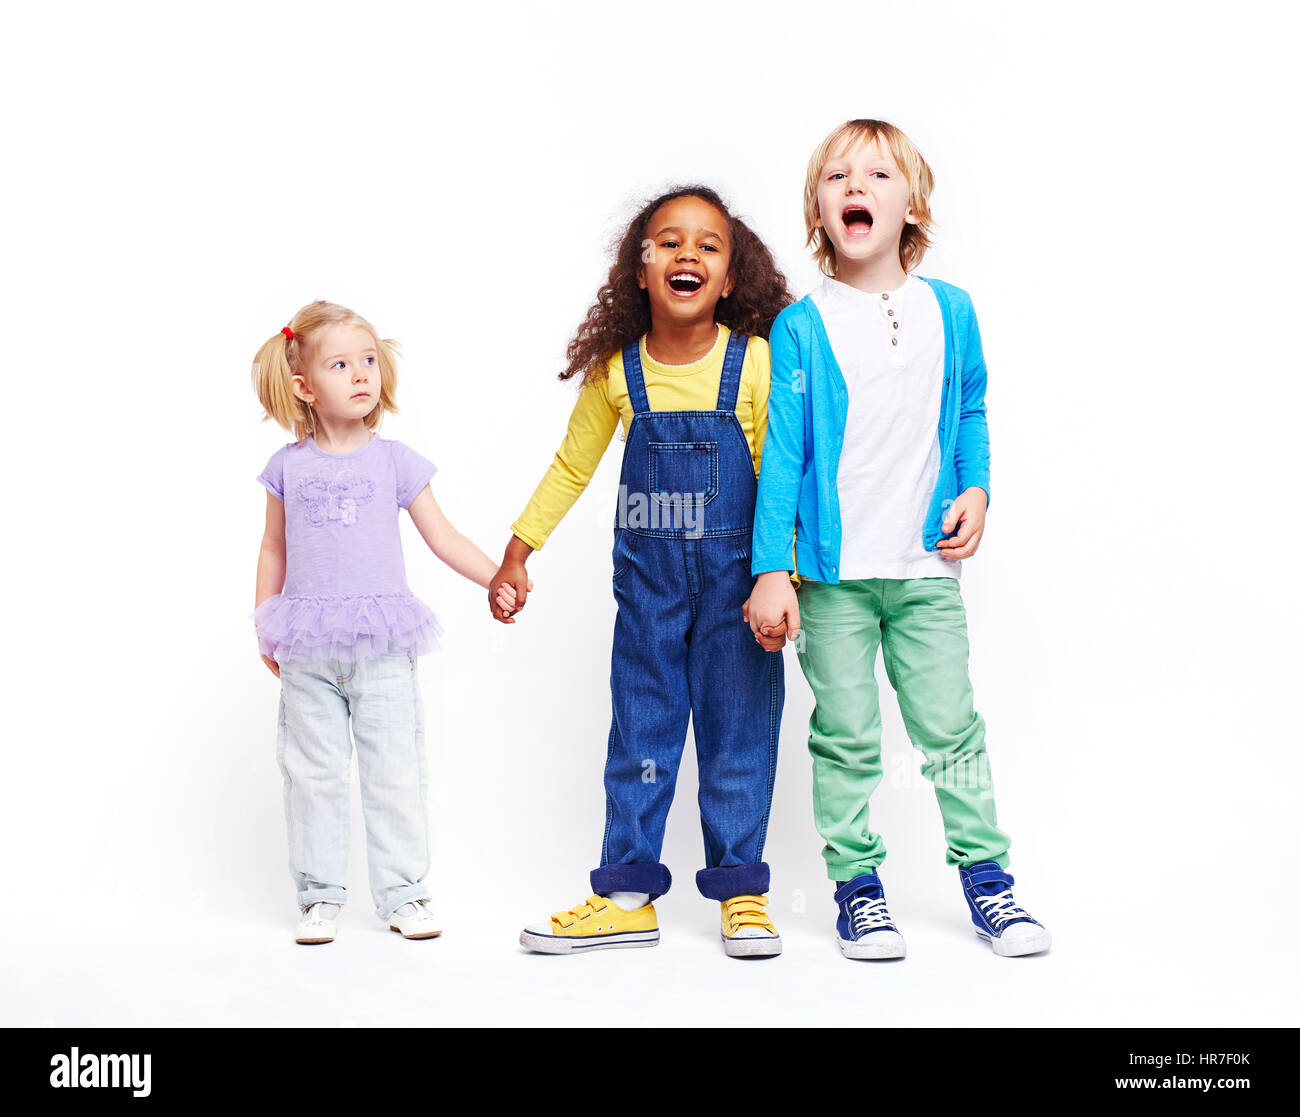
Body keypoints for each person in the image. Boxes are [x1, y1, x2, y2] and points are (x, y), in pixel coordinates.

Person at [747, 120, 1051, 959]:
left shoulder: (950, 312)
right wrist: (773, 568)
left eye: (878, 174)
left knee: (951, 729)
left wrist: (978, 488)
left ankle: (989, 880)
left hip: (925, 571)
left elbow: (971, 412)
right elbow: (784, 454)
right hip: (835, 578)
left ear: (910, 203)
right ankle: (857, 889)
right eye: (837, 175)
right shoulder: (802, 327)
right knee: (846, 736)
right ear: (819, 206)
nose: (856, 186)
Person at [492, 187, 793, 957]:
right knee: (642, 734)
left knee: (738, 736)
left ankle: (744, 895)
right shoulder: (616, 372)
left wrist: (779, 574)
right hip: (650, 592)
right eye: (668, 241)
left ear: (730, 278)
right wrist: (520, 549)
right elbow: (572, 465)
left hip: (739, 590)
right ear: (639, 267)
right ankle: (626, 896)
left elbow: (780, 473)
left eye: (708, 245)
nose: (687, 253)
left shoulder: (753, 361)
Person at [251, 300, 521, 944]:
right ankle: (319, 897)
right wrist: (264, 622)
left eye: (368, 360)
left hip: (381, 647)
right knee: (312, 773)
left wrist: (498, 576)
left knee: (395, 769)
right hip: (308, 649)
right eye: (341, 364)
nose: (361, 374)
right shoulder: (288, 467)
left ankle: (403, 894)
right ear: (303, 387)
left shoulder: (395, 460)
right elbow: (274, 548)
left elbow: (442, 535)